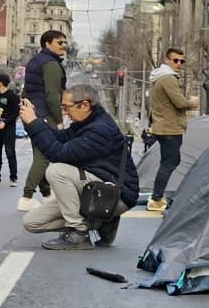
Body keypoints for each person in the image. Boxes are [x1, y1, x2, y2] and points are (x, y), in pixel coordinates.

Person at [18, 84, 139, 250]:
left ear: (85, 105)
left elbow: (58, 153)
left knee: (57, 171)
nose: (65, 112)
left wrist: (33, 123)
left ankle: (78, 233)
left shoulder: (100, 130)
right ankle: (102, 222)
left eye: (67, 107)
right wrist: (34, 120)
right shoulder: (87, 122)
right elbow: (59, 137)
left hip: (116, 195)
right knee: (31, 223)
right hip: (94, 189)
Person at [19, 29, 68, 212]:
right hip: (43, 114)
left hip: (30, 113)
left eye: (65, 42)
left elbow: (26, 91)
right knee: (44, 156)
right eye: (59, 42)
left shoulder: (34, 61)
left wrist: (24, 111)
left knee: (39, 155)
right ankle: (27, 196)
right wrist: (59, 119)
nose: (64, 46)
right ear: (47, 44)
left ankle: (47, 194)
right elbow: (52, 96)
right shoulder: (51, 65)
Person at [144, 46, 196, 211]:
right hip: (170, 128)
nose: (179, 63)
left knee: (172, 161)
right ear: (167, 60)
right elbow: (180, 103)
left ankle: (157, 196)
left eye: (182, 61)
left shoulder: (161, 77)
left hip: (165, 126)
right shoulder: (168, 78)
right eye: (175, 60)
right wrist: (192, 103)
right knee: (168, 163)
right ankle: (156, 199)